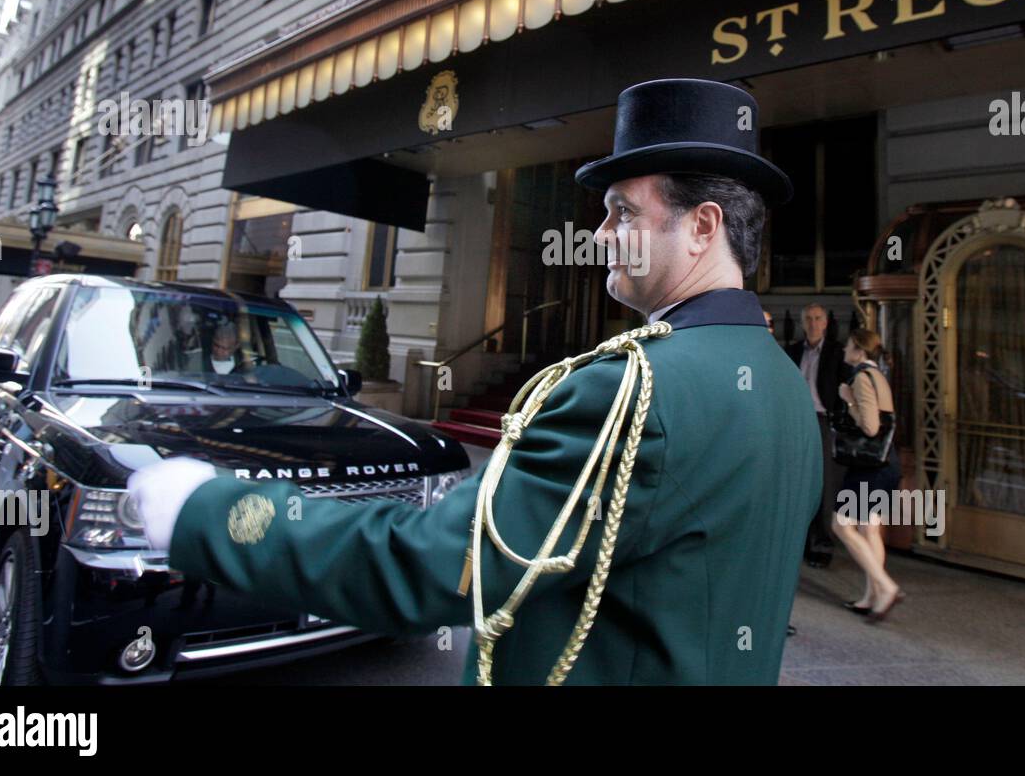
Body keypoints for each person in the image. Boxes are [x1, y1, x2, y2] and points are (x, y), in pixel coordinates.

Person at [128, 77, 822, 685]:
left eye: (624, 212)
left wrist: (211, 514)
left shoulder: (632, 390)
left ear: (702, 227)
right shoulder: (784, 385)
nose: (601, 233)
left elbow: (437, 565)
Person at [832, 328, 904, 622]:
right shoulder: (879, 376)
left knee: (841, 526)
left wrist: (848, 399)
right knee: (868, 529)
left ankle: (886, 586)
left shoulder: (861, 378)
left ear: (859, 351)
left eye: (848, 345)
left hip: (869, 469)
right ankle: (871, 597)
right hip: (887, 465)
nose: (844, 350)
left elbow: (871, 428)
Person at [785, 303, 847, 566]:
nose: (812, 323)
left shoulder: (837, 353)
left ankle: (821, 546)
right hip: (796, 423)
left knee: (824, 485)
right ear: (802, 322)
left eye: (818, 318)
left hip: (822, 422)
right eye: (808, 318)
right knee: (797, 483)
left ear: (825, 323)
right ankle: (800, 542)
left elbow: (846, 388)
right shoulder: (792, 352)